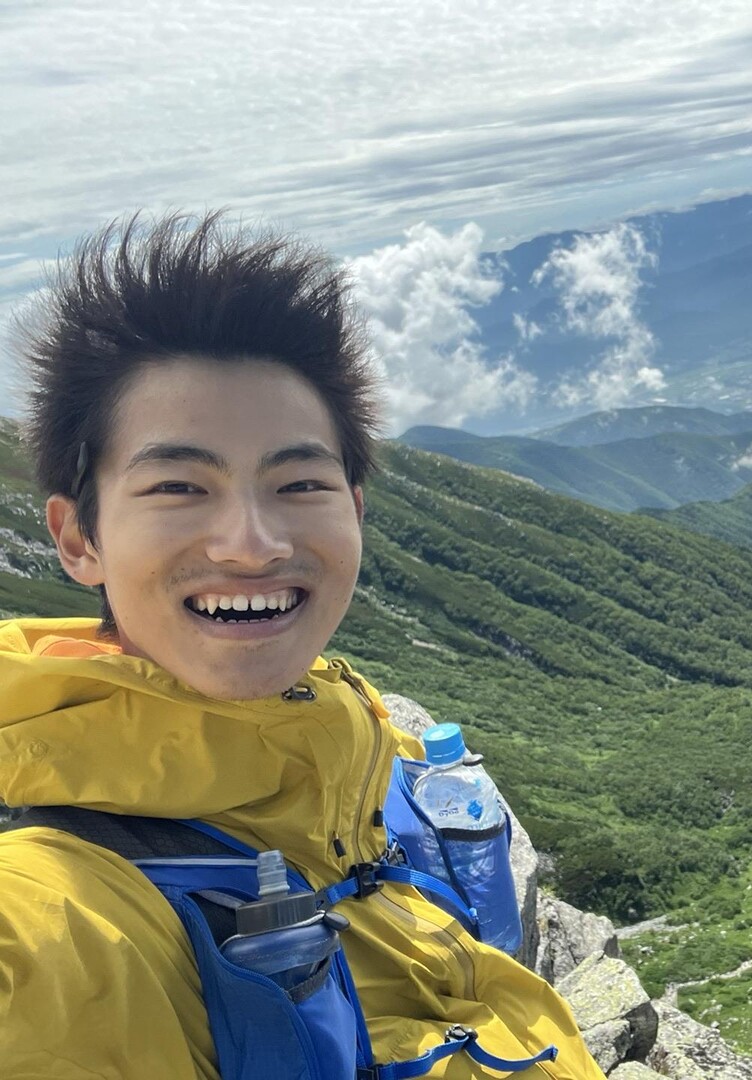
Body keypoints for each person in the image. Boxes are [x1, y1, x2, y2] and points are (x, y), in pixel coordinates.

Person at [0, 212, 604, 1079]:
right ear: (77, 539)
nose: (250, 542)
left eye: (299, 482)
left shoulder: (352, 766)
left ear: (353, 511)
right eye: (178, 485)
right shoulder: (60, 909)